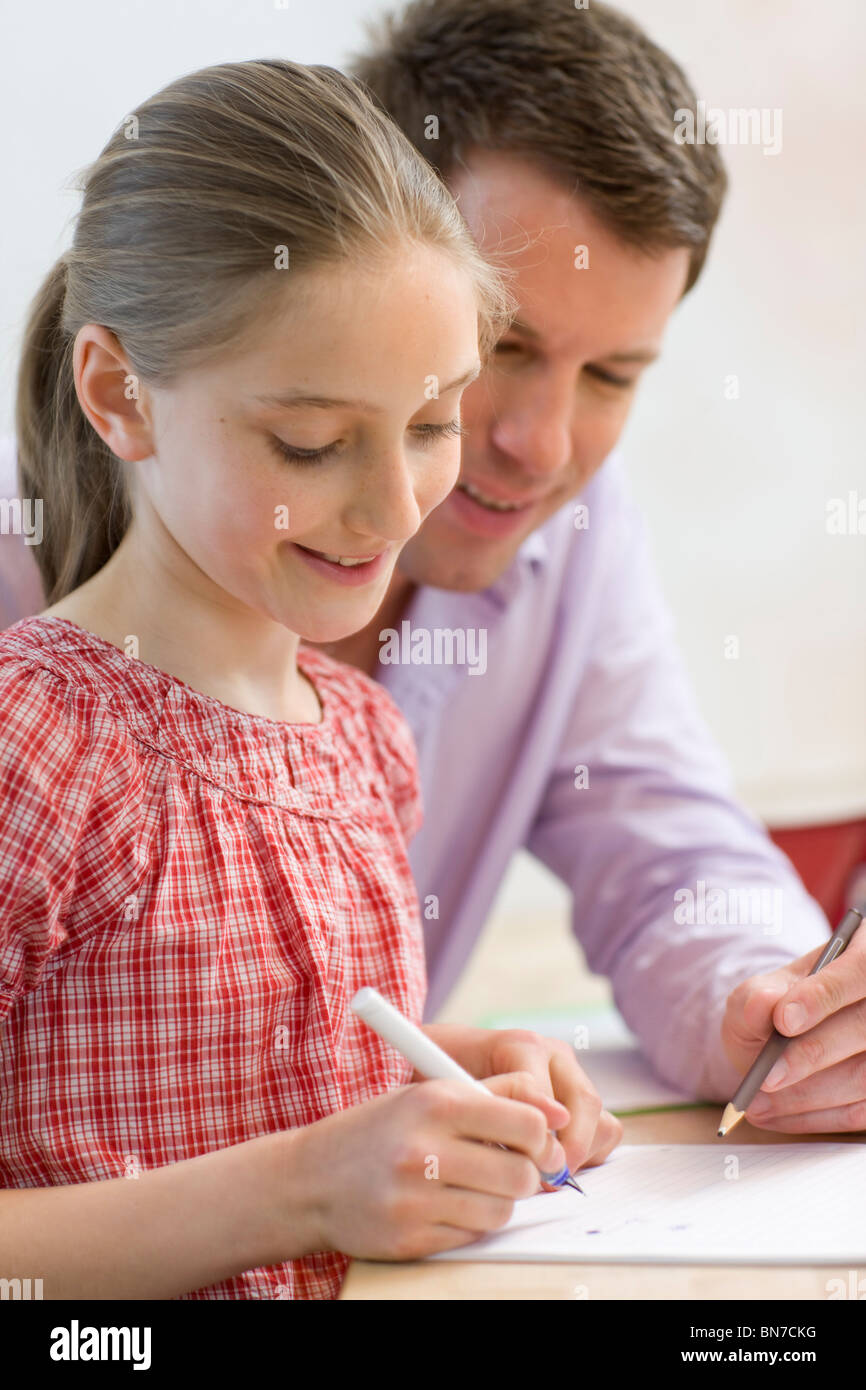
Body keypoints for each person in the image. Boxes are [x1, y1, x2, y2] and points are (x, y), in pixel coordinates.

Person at [0, 57, 621, 1302]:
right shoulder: (36, 743)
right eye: (312, 442)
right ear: (122, 394)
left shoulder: (362, 739)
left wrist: (468, 1061)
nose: (395, 506)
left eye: (433, 421)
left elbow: (274, 1061)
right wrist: (300, 1191)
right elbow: (273, 1162)